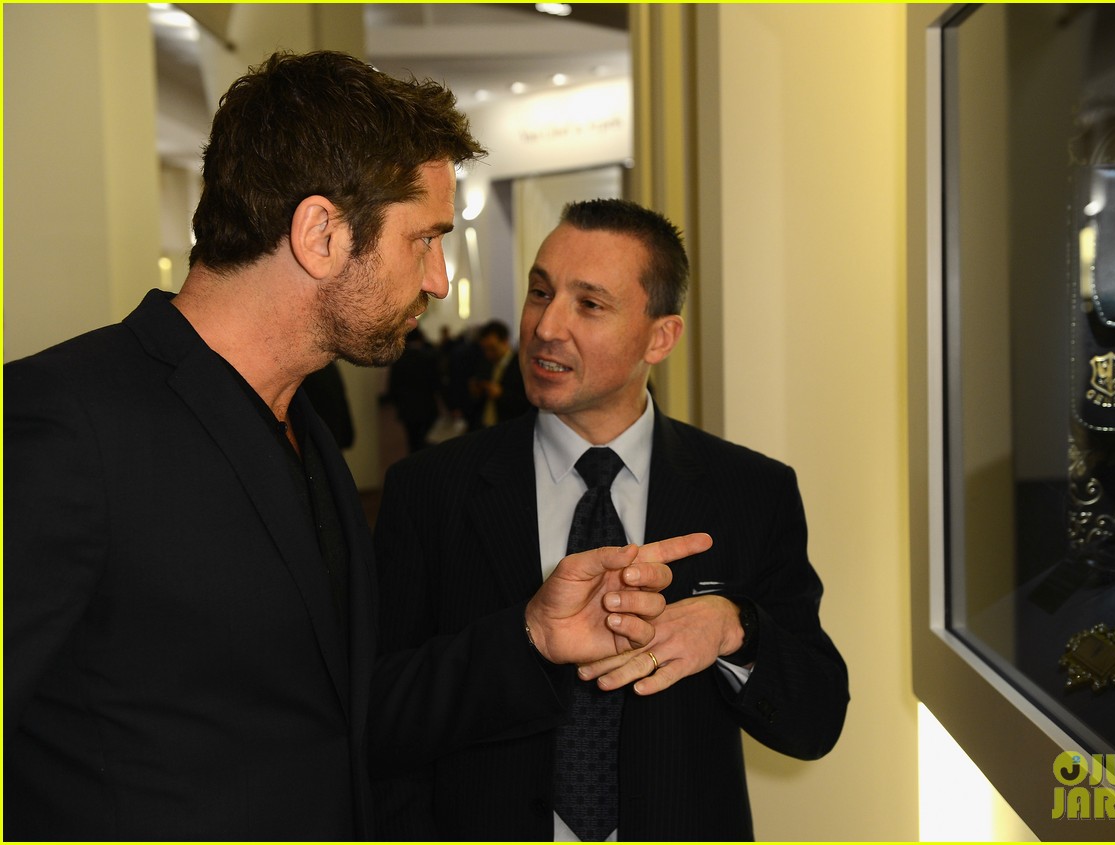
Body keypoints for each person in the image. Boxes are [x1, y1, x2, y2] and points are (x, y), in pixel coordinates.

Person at [2, 53, 710, 841]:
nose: (441, 279)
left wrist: (532, 635)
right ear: (321, 234)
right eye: (424, 240)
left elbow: (347, 708)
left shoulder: (305, 437)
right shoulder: (62, 420)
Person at [373, 198, 849, 840]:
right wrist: (523, 639)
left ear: (660, 337)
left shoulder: (750, 492)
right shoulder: (431, 490)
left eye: (589, 305)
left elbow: (816, 718)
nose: (546, 326)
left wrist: (735, 629)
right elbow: (383, 710)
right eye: (541, 292)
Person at [471, 318, 531, 428]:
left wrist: (501, 394)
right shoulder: (485, 363)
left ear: (505, 341)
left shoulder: (521, 365)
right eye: (485, 349)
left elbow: (527, 403)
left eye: (492, 348)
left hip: (509, 426)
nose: (488, 353)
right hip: (485, 425)